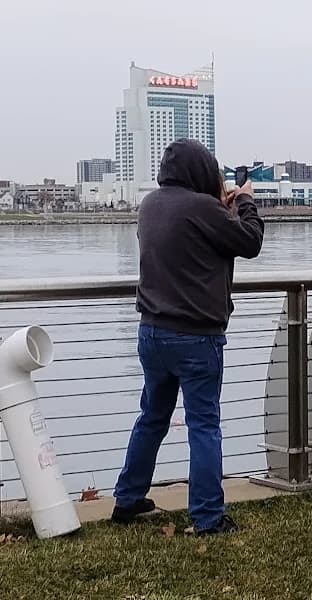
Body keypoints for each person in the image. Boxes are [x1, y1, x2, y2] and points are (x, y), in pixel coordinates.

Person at [112, 139, 264, 535]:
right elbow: (249, 242)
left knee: (152, 417)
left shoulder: (151, 205)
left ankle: (127, 499)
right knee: (203, 426)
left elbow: (195, 241)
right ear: (203, 171)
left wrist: (221, 207)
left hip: (151, 332)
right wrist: (245, 200)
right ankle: (208, 517)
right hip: (197, 336)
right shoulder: (202, 208)